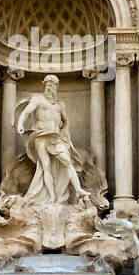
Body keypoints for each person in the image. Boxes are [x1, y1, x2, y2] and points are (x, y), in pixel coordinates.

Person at [15, 74, 86, 204]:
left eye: (52, 84)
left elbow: (66, 121)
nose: (49, 87)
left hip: (56, 137)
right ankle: (52, 196)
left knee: (67, 161)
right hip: (40, 135)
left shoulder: (60, 105)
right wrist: (20, 124)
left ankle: (78, 189)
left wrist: (65, 130)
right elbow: (25, 112)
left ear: (56, 87)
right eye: (47, 84)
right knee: (45, 166)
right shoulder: (38, 99)